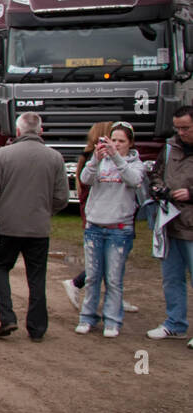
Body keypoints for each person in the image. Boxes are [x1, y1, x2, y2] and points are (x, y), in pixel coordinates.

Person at [0, 111, 69, 341]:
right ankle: (37, 327)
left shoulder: (2, 155)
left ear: (18, 131)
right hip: (38, 228)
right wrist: (45, 213)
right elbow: (62, 197)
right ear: (40, 131)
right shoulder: (55, 158)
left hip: (6, 225)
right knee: (37, 276)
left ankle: (7, 317)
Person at [75, 122, 145, 337]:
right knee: (93, 276)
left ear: (130, 143)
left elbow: (134, 181)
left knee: (114, 278)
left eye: (121, 141)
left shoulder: (136, 164)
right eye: (112, 140)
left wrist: (117, 157)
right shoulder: (100, 162)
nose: (115, 144)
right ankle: (87, 317)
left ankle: (112, 320)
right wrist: (96, 158)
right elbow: (85, 179)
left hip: (119, 228)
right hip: (95, 226)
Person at [148, 106, 193, 344]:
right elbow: (156, 174)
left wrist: (191, 193)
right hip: (170, 223)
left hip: (191, 225)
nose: (181, 132)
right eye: (178, 128)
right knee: (172, 277)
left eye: (186, 128)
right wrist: (157, 187)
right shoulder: (169, 148)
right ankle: (175, 323)